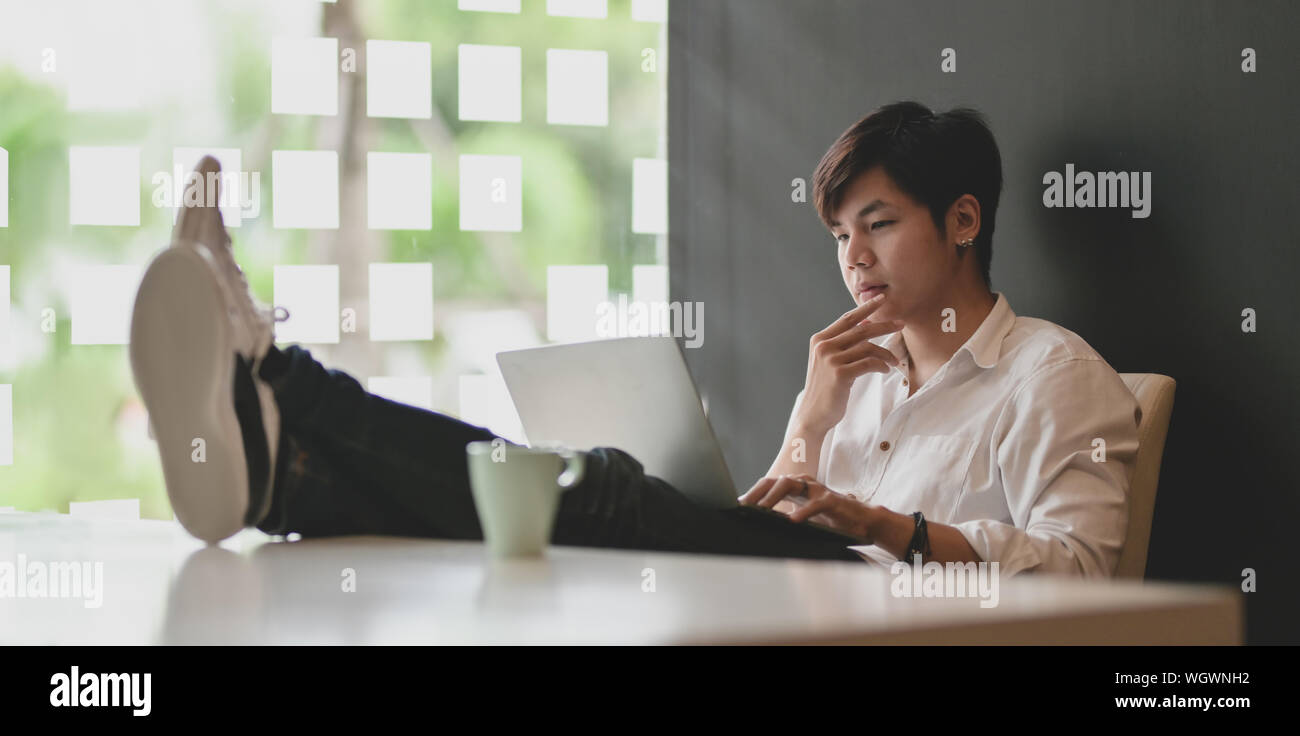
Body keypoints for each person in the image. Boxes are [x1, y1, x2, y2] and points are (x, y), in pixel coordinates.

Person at [129, 100, 1140, 577]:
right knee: (556, 526)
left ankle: (283, 386)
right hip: (803, 606)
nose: (854, 258)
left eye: (877, 224)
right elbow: (762, 530)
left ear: (962, 222)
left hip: (898, 619)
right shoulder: (847, 372)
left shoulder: (1053, 375)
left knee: (601, 494)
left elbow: (1091, 576)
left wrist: (887, 527)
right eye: (839, 235)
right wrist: (815, 418)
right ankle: (288, 474)